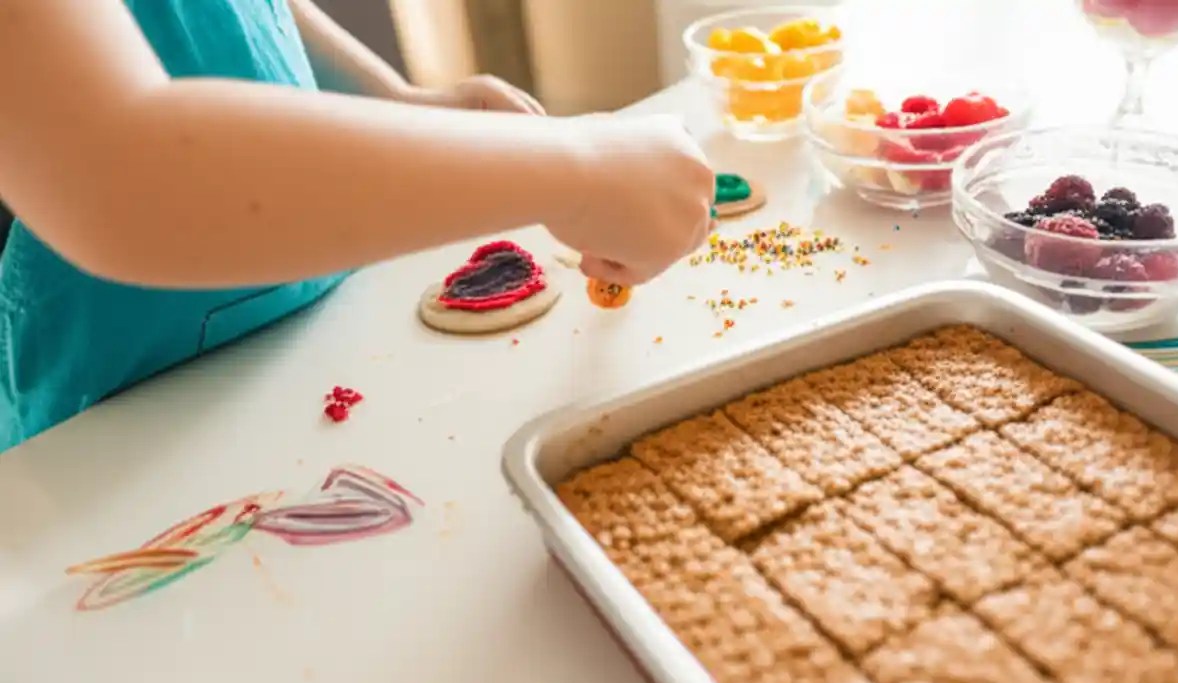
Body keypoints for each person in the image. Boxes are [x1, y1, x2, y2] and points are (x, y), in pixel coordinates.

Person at [0, 0, 715, 451]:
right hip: (115, 418)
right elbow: (119, 171)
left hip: (319, 351)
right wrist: (576, 168)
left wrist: (398, 100)